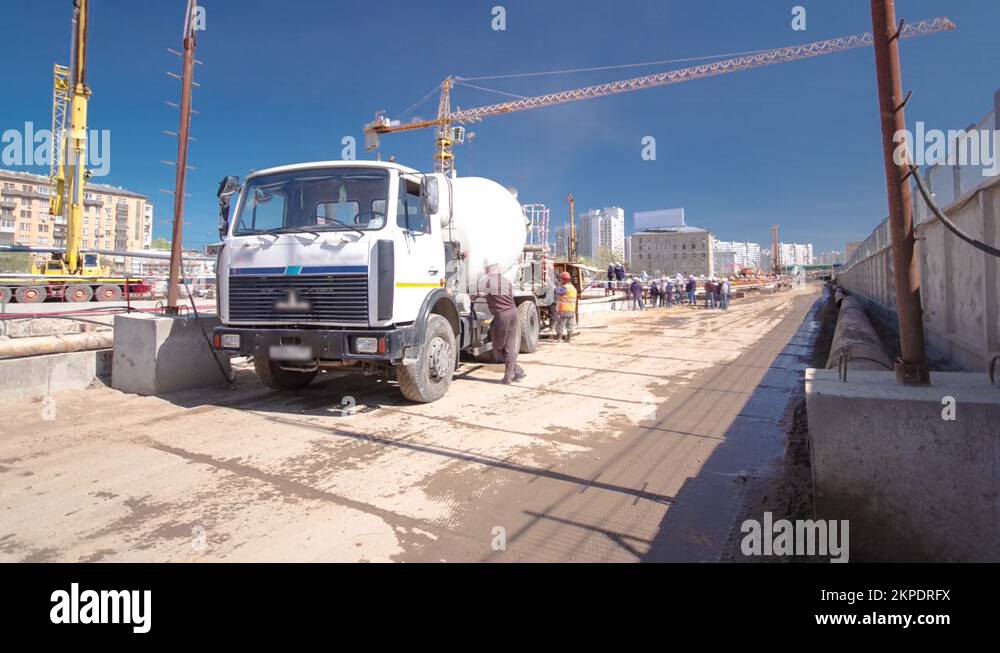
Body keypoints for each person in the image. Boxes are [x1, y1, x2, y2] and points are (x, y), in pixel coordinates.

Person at [476, 263, 525, 384]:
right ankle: (515, 373)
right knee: (510, 346)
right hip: (514, 313)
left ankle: (514, 373)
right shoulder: (506, 281)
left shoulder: (487, 282)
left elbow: (479, 294)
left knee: (498, 347)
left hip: (502, 316)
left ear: (490, 272)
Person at [552, 270, 578, 343]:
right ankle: (569, 339)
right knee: (570, 325)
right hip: (572, 310)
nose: (560, 280)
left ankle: (559, 338)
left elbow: (556, 291)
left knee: (560, 325)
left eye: (560, 279)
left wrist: (553, 285)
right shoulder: (573, 288)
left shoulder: (565, 288)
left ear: (563, 280)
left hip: (564, 310)